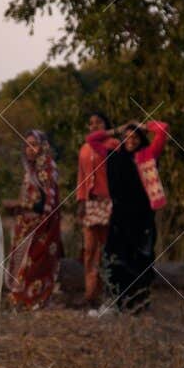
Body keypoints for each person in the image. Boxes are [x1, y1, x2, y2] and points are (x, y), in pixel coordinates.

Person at [103, 120, 168, 312]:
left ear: (141, 139)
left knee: (140, 259)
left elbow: (163, 129)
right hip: (120, 217)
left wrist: (142, 125)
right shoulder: (115, 156)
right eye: (127, 137)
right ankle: (119, 300)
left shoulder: (148, 154)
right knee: (118, 257)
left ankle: (139, 300)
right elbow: (93, 139)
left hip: (142, 217)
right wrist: (119, 128)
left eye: (135, 137)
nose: (130, 141)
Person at [5, 129, 62, 309]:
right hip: (25, 223)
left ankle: (34, 299)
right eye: (27, 145)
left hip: (41, 225)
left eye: (34, 145)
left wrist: (20, 205)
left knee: (36, 263)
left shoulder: (46, 168)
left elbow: (46, 203)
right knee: (23, 261)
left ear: (43, 147)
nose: (30, 149)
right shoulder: (30, 169)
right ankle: (21, 299)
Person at [75, 112, 116, 308]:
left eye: (98, 122)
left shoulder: (113, 144)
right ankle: (90, 293)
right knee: (89, 249)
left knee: (106, 249)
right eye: (90, 122)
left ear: (106, 124)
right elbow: (81, 177)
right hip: (90, 203)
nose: (93, 125)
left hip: (109, 201)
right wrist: (81, 201)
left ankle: (106, 291)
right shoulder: (84, 148)